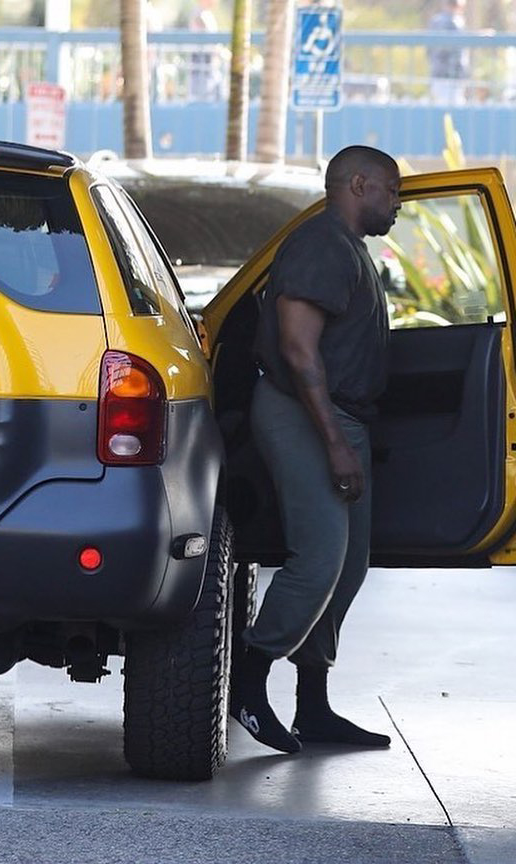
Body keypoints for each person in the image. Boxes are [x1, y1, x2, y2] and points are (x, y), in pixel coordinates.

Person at [230, 145, 402, 754]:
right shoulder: (321, 245)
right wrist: (334, 443)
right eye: (391, 191)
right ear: (359, 184)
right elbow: (299, 352)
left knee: (348, 568)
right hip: (302, 413)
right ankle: (246, 687)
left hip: (340, 416)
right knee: (320, 559)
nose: (398, 204)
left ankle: (314, 708)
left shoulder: (349, 248)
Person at [427, 0, 469, 105]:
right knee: (453, 111)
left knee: (442, 108)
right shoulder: (454, 22)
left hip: (437, 73)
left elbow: (429, 50)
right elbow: (458, 45)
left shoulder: (435, 21)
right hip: (451, 75)